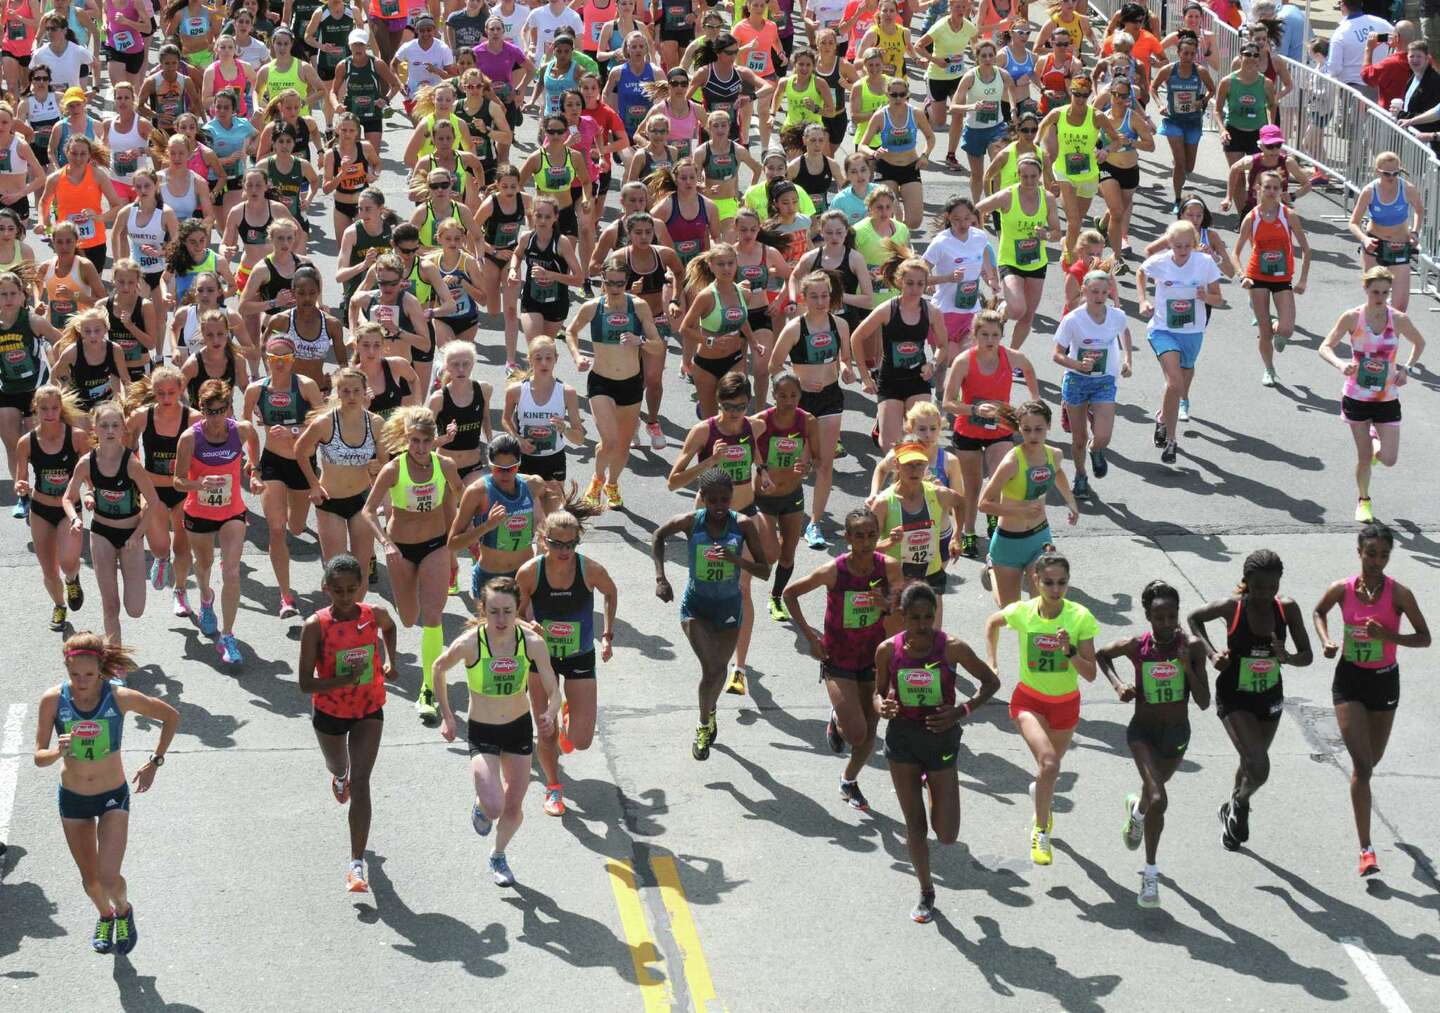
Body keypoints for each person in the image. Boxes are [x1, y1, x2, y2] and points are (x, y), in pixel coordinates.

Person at [33, 632, 179, 955]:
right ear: (66, 670)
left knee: (108, 876)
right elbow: (38, 757)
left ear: (100, 669)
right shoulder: (53, 700)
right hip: (73, 800)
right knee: (91, 881)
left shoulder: (119, 697)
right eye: (74, 675)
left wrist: (155, 761)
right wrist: (57, 752)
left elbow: (171, 717)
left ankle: (124, 910)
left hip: (112, 795)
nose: (81, 681)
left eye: (88, 674)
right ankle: (105, 915)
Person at [876, 579, 1000, 923]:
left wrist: (961, 711)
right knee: (915, 825)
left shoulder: (952, 648)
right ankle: (926, 890)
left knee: (946, 834)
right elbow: (878, 693)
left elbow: (991, 683)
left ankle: (937, 787)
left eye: (928, 617)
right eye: (915, 618)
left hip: (941, 741)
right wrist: (882, 707)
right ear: (901, 616)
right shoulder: (888, 649)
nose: (922, 625)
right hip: (902, 741)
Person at [1312, 523, 1431, 876]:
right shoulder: (1342, 589)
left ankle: (1362, 809)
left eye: (1384, 555)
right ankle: (1366, 849)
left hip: (1384, 681)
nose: (1377, 561)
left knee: (1371, 761)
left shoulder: (1399, 595)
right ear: (1359, 552)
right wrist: (1327, 640)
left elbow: (1425, 637)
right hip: (1349, 680)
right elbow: (1319, 611)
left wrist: (1389, 635)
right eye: (1371, 553)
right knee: (1362, 767)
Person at [435, 576, 561, 888]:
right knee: (493, 806)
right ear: (483, 609)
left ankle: (498, 854)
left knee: (514, 806)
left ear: (518, 608)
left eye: (508, 611)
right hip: (483, 731)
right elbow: (438, 668)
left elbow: (552, 687)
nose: (501, 619)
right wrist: (447, 717)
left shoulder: (532, 642)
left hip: (518, 729)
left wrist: (550, 711)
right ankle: (481, 806)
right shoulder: (469, 644)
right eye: (494, 612)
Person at [1187, 550, 1313, 852]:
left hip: (1269, 697)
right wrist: (1212, 653)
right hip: (1234, 696)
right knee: (1259, 764)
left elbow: (1307, 656)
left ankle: (1232, 805)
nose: (1266, 594)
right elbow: (1193, 618)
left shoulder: (1287, 609)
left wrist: (1288, 658)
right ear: (1247, 582)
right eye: (1259, 588)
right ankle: (1241, 805)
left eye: (1272, 587)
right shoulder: (1232, 608)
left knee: (1250, 762)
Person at [1096, 580, 1210, 908]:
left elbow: (1203, 702)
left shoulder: (1192, 647)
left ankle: (1137, 811)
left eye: (1172, 616)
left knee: (1150, 796)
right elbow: (1103, 655)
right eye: (1159, 618)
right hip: (1142, 733)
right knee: (1159, 796)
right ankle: (1150, 874)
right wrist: (1118, 685)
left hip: (1176, 735)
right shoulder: (1136, 646)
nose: (1166, 624)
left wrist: (1187, 666)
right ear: (1148, 616)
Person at [784, 507, 902, 810]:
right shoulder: (833, 570)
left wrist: (886, 603)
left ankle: (849, 780)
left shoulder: (888, 566)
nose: (866, 541)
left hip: (873, 657)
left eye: (872, 534)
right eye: (859, 535)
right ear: (847, 537)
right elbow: (789, 594)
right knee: (856, 732)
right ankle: (837, 718)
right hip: (838, 657)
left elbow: (900, 605)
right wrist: (811, 638)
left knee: (869, 735)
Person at [984, 551, 1097, 866]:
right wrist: (992, 662)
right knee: (1049, 765)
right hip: (1029, 701)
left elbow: (1090, 673)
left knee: (1049, 772)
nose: (1055, 589)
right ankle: (1041, 828)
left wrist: (1070, 651)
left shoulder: (1080, 618)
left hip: (1066, 705)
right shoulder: (1024, 612)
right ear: (1035, 580)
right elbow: (992, 623)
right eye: (1048, 582)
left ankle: (1041, 796)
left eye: (1062, 582)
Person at [652, 467, 771, 760]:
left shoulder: (742, 525)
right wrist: (660, 578)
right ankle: (703, 725)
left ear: (732, 498)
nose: (719, 507)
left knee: (717, 669)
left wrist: (735, 560)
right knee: (712, 669)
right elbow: (657, 535)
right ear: (702, 498)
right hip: (696, 607)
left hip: (729, 608)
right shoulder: (691, 522)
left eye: (725, 500)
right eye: (713, 500)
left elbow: (766, 571)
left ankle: (711, 708)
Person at [297, 554, 399, 893]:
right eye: (338, 590)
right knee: (339, 766)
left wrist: (391, 662)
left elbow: (391, 627)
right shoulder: (316, 625)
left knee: (363, 780)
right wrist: (341, 680)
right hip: (329, 713)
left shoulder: (373, 615)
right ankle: (339, 777)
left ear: (361, 587)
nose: (345, 597)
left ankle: (356, 864)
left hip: (369, 707)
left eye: (352, 589)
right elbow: (305, 684)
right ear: (325, 588)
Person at [361, 406, 464, 724]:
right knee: (408, 618)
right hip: (401, 550)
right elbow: (368, 511)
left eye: (425, 441)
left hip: (435, 546)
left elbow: (458, 503)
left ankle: (428, 689)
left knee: (432, 617)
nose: (420, 448)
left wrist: (455, 550)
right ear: (407, 440)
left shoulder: (444, 465)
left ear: (434, 440)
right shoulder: (393, 469)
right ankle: (386, 633)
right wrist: (386, 543)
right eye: (415, 441)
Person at [516, 508, 617, 817]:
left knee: (581, 741)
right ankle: (553, 786)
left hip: (579, 656)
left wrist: (608, 634)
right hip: (541, 659)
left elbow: (611, 592)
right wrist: (526, 624)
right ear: (543, 540)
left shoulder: (590, 570)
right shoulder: (530, 572)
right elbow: (514, 612)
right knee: (546, 729)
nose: (563, 551)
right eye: (556, 544)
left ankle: (570, 711)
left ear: (577, 542)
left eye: (570, 544)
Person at [1317, 266, 1425, 523]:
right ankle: (1364, 501)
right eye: (1375, 291)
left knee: (1388, 459)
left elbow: (1420, 343)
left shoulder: (1398, 319)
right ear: (1365, 289)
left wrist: (1406, 369)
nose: (1380, 297)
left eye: (1385, 292)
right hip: (1357, 396)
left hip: (1387, 396)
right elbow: (1325, 346)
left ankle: (1376, 438)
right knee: (1363, 457)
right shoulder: (1352, 317)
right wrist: (1342, 365)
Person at [62, 400, 167, 645]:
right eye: (104, 425)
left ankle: (158, 563)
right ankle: (115, 661)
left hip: (131, 534)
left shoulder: (131, 464)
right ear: (95, 430)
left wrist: (137, 534)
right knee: (110, 604)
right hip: (101, 533)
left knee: (135, 608)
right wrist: (75, 519)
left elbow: (152, 501)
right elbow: (68, 497)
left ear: (122, 430)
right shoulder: (86, 462)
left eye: (114, 426)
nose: (109, 431)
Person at [172, 378, 261, 665]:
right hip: (199, 513)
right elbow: (177, 481)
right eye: (210, 411)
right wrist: (199, 484)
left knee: (232, 571)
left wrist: (254, 468)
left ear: (229, 408)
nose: (216, 417)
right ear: (201, 410)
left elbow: (254, 440)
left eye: (221, 410)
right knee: (204, 564)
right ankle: (206, 599)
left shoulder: (241, 430)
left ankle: (228, 636)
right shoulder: (190, 438)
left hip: (232, 512)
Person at [941, 309, 1039, 559]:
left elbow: (1028, 367)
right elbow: (948, 403)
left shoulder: (1010, 357)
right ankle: (969, 532)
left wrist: (1035, 401)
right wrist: (974, 408)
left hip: (1001, 428)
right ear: (975, 335)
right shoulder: (964, 361)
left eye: (995, 335)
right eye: (984, 334)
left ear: (1001, 336)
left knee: (999, 478)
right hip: (968, 430)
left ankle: (996, 520)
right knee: (972, 486)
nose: (990, 340)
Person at [768, 267, 854, 549]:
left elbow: (845, 360)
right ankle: (783, 514)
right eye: (815, 296)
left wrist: (846, 370)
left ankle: (814, 523)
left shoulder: (840, 325)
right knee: (798, 466)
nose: (821, 301)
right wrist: (799, 384)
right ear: (803, 298)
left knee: (825, 463)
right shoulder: (794, 328)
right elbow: (774, 366)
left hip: (830, 399)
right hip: (801, 404)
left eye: (825, 296)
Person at [241, 335, 323, 618]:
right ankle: (286, 597)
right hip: (273, 463)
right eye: (273, 360)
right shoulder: (255, 390)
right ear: (266, 360)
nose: (278, 365)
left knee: (297, 528)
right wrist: (253, 468)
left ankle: (295, 514)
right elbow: (247, 431)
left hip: (303, 464)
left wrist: (295, 432)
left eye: (284, 360)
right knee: (277, 528)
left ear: (293, 361)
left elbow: (324, 424)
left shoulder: (306, 386)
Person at [1135, 220, 1224, 464]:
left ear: (1194, 244)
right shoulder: (1161, 261)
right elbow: (1141, 272)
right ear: (1169, 244)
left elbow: (1219, 298)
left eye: (1187, 245)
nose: (1182, 250)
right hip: (1163, 329)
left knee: (1180, 385)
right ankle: (1172, 440)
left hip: (1193, 331)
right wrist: (1143, 301)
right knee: (1174, 383)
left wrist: (1207, 296)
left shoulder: (1204, 263)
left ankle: (1163, 417)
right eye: (1177, 246)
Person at [976, 401, 1079, 607]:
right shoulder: (1012, 462)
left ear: (1049, 426)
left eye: (1039, 429)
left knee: (1042, 604)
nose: (1033, 436)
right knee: (1010, 611)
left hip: (1040, 537)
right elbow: (984, 504)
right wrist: (1020, 509)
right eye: (1026, 430)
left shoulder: (1054, 455)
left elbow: (1057, 473)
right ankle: (990, 568)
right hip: (1009, 541)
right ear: (1019, 429)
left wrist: (1071, 503)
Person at [1052, 270, 1132, 496]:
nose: (1099, 296)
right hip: (1076, 381)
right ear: (1084, 291)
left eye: (1104, 292)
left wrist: (1127, 360)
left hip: (1104, 380)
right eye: (1094, 291)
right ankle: (1080, 475)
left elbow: (1125, 332)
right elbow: (1056, 354)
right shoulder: (1073, 320)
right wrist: (1077, 364)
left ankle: (1096, 450)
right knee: (1079, 438)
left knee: (1103, 436)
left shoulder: (1116, 316)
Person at [868, 441, 964, 627]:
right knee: (896, 637)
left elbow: (960, 503)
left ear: (926, 466)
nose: (914, 470)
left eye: (919, 464)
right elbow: (867, 548)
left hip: (931, 574)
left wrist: (957, 536)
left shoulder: (937, 494)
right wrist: (888, 543)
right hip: (897, 579)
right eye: (908, 465)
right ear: (896, 465)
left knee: (932, 635)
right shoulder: (883, 502)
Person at [852, 256, 944, 451]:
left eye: (920, 284)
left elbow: (943, 345)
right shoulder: (887, 310)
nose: (915, 289)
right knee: (891, 447)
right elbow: (857, 338)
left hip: (917, 378)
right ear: (900, 281)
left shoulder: (932, 311)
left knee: (921, 441)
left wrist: (933, 363)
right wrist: (865, 377)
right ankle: (884, 420)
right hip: (890, 379)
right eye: (910, 283)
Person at [1234, 171, 1310, 388]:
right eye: (1267, 187)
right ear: (1258, 188)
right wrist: (1242, 276)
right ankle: (1269, 369)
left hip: (1282, 277)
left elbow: (1306, 249)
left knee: (1286, 330)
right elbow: (1236, 252)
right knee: (1264, 332)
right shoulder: (1252, 217)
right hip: (1257, 276)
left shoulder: (1288, 216)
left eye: (1276, 188)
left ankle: (1276, 322)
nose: (1271, 191)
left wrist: (1303, 279)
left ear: (1281, 190)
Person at [1347, 152, 1425, 315]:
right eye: (1387, 173)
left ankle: (1391, 338)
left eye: (1396, 173)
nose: (1392, 177)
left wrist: (1415, 232)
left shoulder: (1407, 189)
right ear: (1377, 171)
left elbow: (1419, 210)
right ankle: (1373, 337)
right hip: (1375, 245)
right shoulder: (1369, 191)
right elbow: (1353, 223)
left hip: (1399, 246)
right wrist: (1364, 239)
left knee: (1400, 308)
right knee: (1375, 301)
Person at [1154, 32, 1215, 213]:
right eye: (1185, 53)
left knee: (1189, 166)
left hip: (1193, 122)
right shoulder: (1168, 70)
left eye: (1191, 53)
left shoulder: (1200, 71)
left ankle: (1179, 165)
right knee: (1180, 164)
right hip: (1173, 121)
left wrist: (1202, 101)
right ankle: (1178, 199)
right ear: (1178, 53)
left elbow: (1212, 90)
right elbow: (1153, 87)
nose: (1188, 57)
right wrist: (1160, 105)